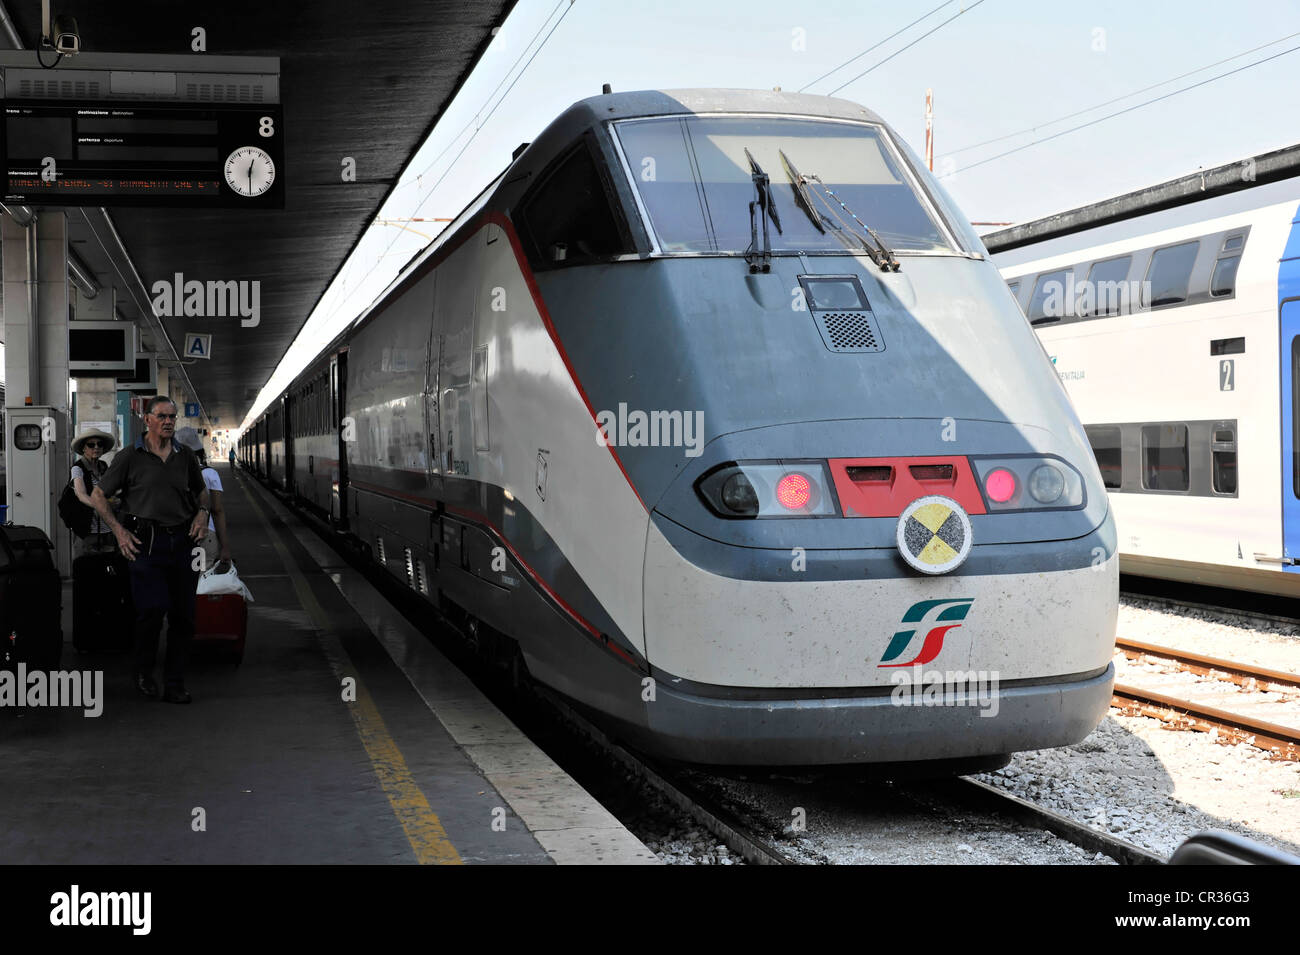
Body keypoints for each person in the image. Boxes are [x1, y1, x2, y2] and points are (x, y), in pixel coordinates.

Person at [89, 396, 210, 704]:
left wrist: (202, 513)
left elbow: (202, 492)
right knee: (152, 611)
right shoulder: (130, 456)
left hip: (182, 542)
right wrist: (119, 531)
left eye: (173, 417)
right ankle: (143, 671)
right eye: (163, 416)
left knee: (184, 617)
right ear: (148, 420)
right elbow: (99, 494)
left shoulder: (185, 457)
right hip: (145, 543)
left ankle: (175, 683)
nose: (169, 422)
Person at [177, 427, 231, 570]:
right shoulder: (210, 474)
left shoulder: (169, 474)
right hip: (205, 534)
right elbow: (217, 511)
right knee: (203, 581)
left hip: (177, 535)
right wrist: (224, 547)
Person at [69, 428, 119, 559]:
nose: (96, 447)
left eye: (99, 444)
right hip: (88, 532)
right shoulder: (77, 468)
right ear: (84, 448)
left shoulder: (103, 466)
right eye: (91, 445)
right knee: (87, 569)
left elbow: (111, 491)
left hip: (107, 530)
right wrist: (102, 505)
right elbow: (81, 494)